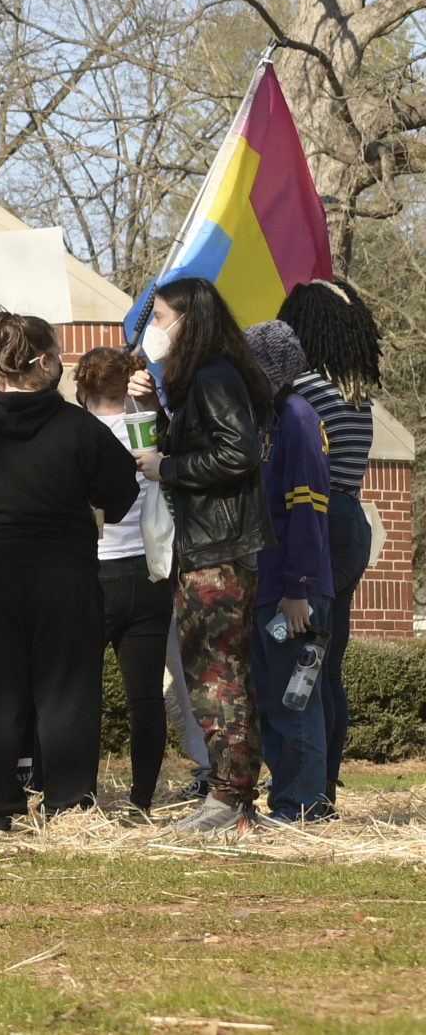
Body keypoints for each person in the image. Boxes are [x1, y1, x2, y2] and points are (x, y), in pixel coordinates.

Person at [0, 311, 136, 827]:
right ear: (43, 361)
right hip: (65, 572)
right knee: (67, 690)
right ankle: (67, 799)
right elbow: (122, 492)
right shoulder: (78, 425)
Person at [132, 275, 272, 834]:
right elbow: (205, 443)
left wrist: (166, 467)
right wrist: (156, 412)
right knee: (220, 674)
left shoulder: (214, 375)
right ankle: (232, 796)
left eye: (160, 317)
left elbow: (235, 454)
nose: (154, 330)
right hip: (211, 545)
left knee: (217, 677)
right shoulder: (203, 379)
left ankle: (229, 798)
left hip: (217, 550)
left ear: (189, 320)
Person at [276, 278, 380, 809]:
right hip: (350, 520)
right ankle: (325, 787)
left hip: (316, 520)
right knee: (324, 665)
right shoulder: (356, 393)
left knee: (299, 663)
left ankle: (304, 792)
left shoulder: (304, 392)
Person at [71, 344, 179, 816]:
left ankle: (82, 793)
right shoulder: (151, 429)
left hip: (95, 571)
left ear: (83, 389)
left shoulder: (80, 433)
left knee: (80, 693)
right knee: (145, 698)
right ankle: (143, 798)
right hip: (151, 569)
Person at [242, 321, 332, 822]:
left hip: (293, 592)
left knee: (296, 704)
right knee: (274, 702)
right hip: (267, 585)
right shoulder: (267, 419)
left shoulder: (297, 419)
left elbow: (308, 509)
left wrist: (297, 588)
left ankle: (301, 806)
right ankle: (285, 799)